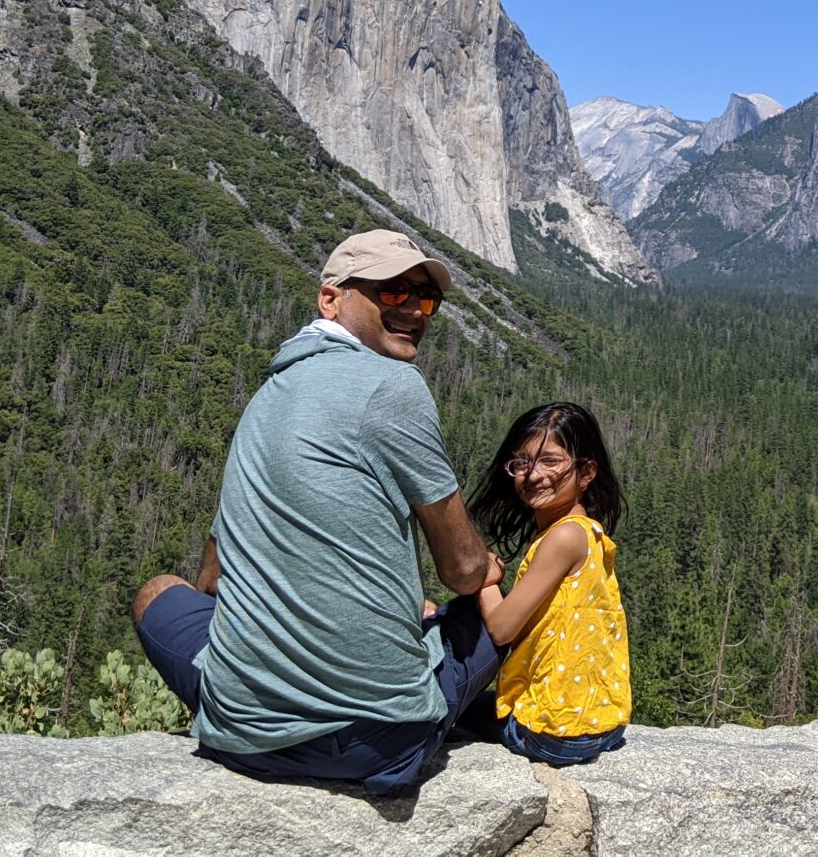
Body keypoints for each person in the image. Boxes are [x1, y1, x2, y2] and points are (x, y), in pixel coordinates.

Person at [129, 229, 505, 795]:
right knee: (500, 600)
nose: (413, 310)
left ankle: (264, 705)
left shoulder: (267, 396)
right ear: (331, 299)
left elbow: (210, 581)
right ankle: (477, 714)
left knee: (157, 591)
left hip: (241, 734)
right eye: (392, 292)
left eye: (425, 298)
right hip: (376, 745)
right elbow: (462, 569)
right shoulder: (396, 385)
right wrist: (487, 573)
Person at [466, 402, 631, 767]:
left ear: (586, 473)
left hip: (553, 733)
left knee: (446, 706)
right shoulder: (587, 533)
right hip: (601, 722)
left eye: (550, 461)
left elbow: (502, 629)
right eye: (522, 463)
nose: (533, 474)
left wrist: (484, 579)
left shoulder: (564, 537)